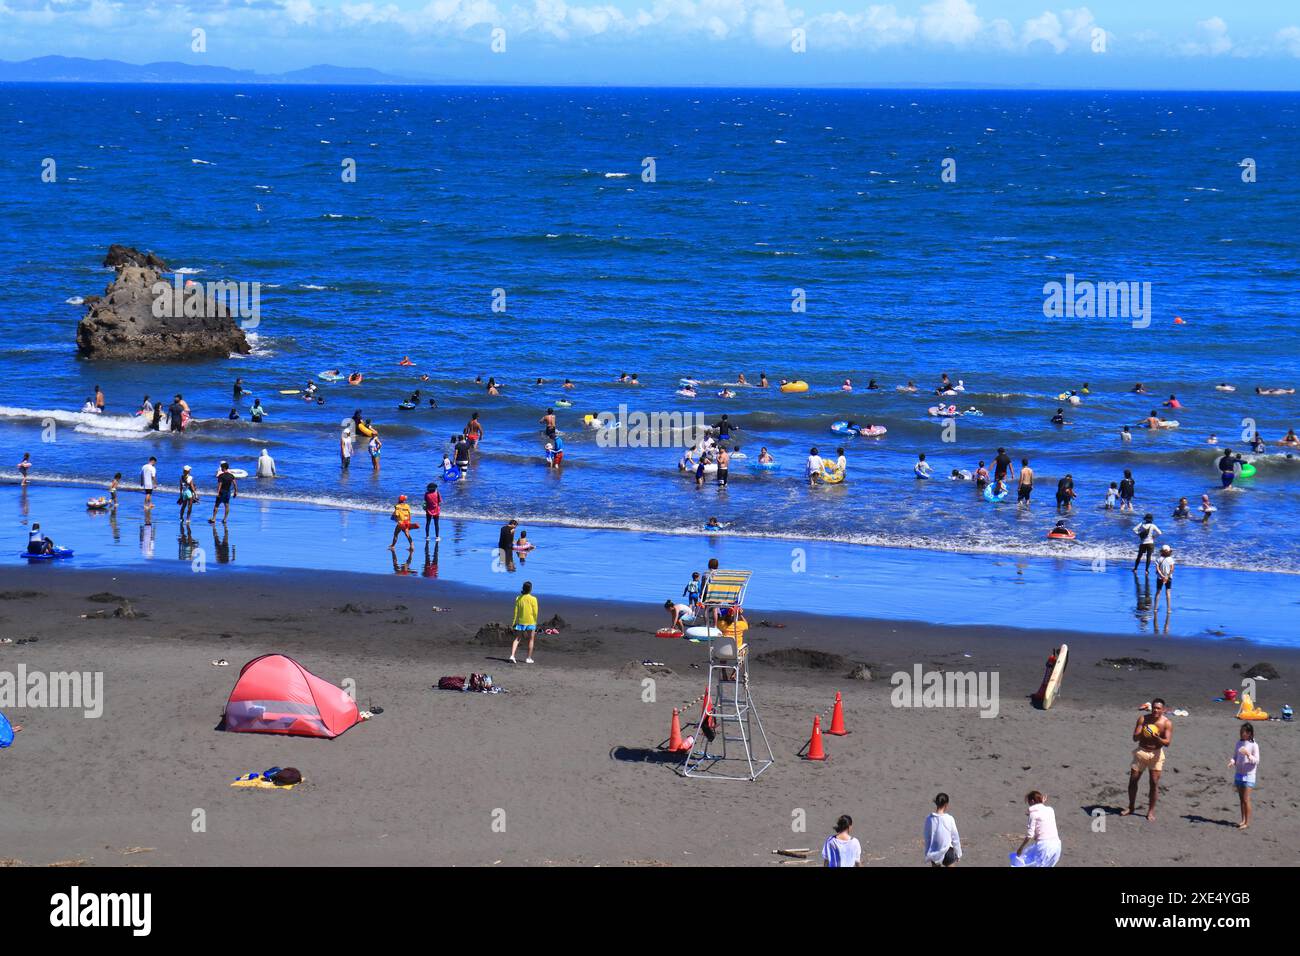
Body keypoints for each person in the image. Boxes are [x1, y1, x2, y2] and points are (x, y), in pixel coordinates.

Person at [1125, 699, 1173, 820]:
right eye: (1154, 708)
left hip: (1156, 755)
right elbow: (1135, 738)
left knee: (1154, 783)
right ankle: (1131, 807)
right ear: (1151, 708)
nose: (1156, 710)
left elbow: (1167, 743)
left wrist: (1157, 738)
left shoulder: (1167, 723)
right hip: (1141, 752)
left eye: (1158, 708)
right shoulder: (1143, 719)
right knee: (1133, 780)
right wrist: (1144, 732)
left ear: (1163, 710)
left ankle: (1150, 811)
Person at [1010, 791, 1060, 867]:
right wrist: (1040, 803)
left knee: (1021, 862)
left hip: (1044, 847)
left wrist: (1020, 848)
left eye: (1029, 803)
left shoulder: (1033, 814)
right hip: (1057, 846)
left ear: (1032, 801)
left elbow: (1030, 835)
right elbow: (1041, 810)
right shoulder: (1050, 810)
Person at [1229, 723, 1259, 829]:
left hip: (1249, 775)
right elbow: (1235, 756)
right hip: (1239, 774)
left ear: (1249, 733)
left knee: (1246, 799)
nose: (1241, 734)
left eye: (1244, 732)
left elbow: (1256, 761)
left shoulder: (1254, 745)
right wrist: (1232, 762)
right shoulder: (1239, 743)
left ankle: (1247, 822)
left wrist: (1247, 754)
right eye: (1241, 732)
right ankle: (1242, 820)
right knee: (1241, 799)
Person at [923, 793, 962, 867]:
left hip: (934, 852)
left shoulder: (929, 819)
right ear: (946, 805)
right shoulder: (949, 818)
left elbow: (927, 837)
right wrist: (958, 854)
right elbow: (955, 838)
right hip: (948, 851)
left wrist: (927, 853)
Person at [509, 581, 538, 664]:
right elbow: (535, 612)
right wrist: (535, 621)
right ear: (530, 589)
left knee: (517, 639)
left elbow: (516, 612)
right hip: (531, 622)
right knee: (531, 639)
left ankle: (512, 656)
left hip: (521, 622)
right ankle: (528, 658)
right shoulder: (533, 599)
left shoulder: (518, 598)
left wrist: (514, 622)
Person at [1153, 544, 1174, 611]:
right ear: (1169, 552)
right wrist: (1167, 576)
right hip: (1168, 578)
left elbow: (1157, 569)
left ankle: (1155, 608)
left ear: (1161, 551)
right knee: (1168, 593)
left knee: (1158, 592)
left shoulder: (1158, 559)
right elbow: (1172, 569)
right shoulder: (1170, 559)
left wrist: (1162, 576)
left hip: (1160, 578)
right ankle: (1168, 609)